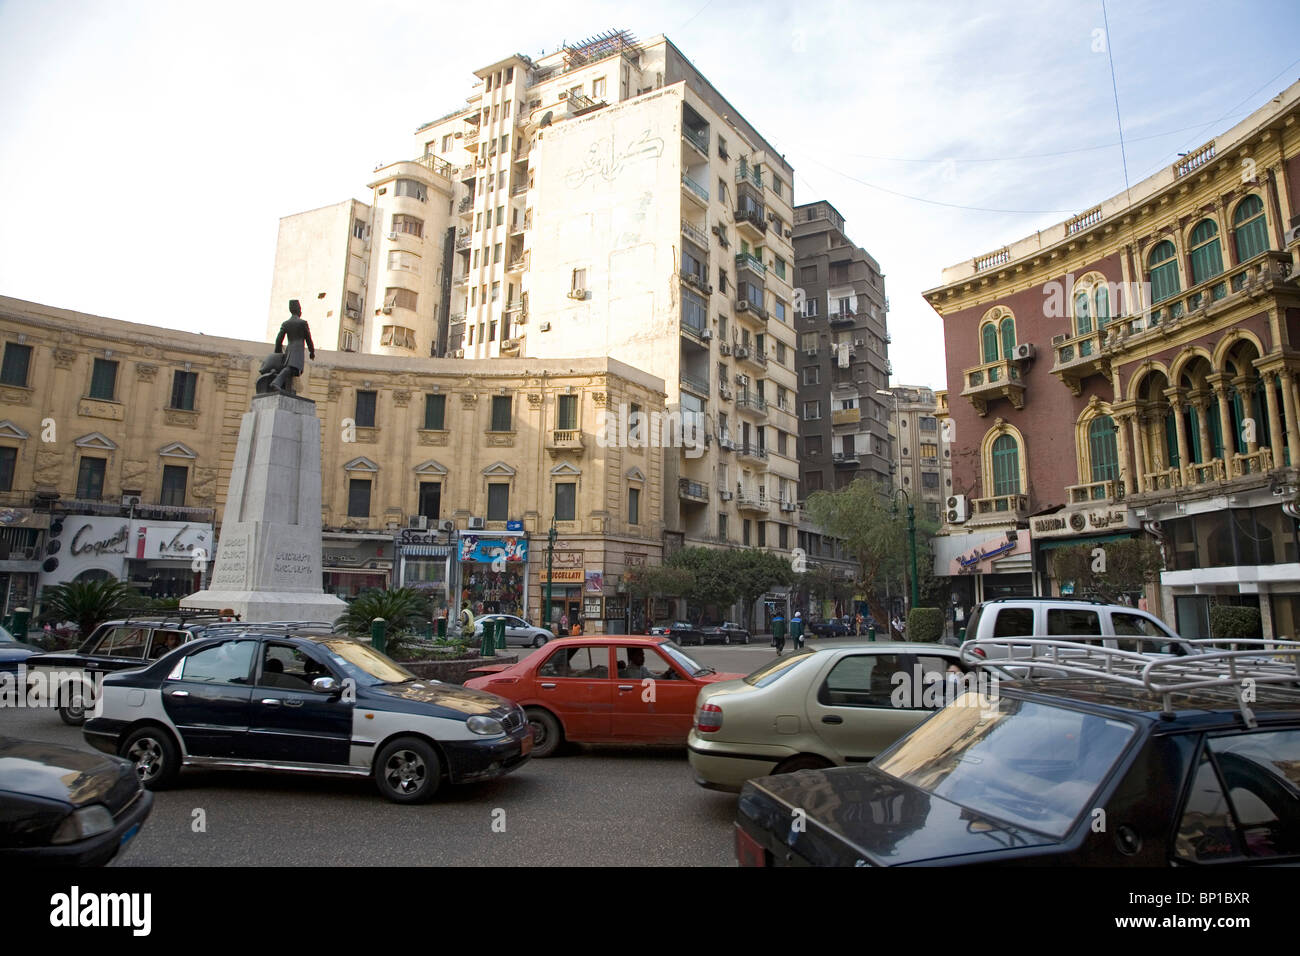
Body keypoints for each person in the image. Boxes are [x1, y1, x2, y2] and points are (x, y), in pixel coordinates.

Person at [272, 299, 317, 393]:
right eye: (300, 309)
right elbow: (308, 339)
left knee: (291, 370)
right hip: (298, 349)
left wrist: (278, 352)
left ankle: (288, 388)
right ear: (298, 310)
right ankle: (276, 382)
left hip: (289, 348)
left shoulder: (286, 323)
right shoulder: (302, 323)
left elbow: (278, 339)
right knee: (292, 368)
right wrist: (312, 352)